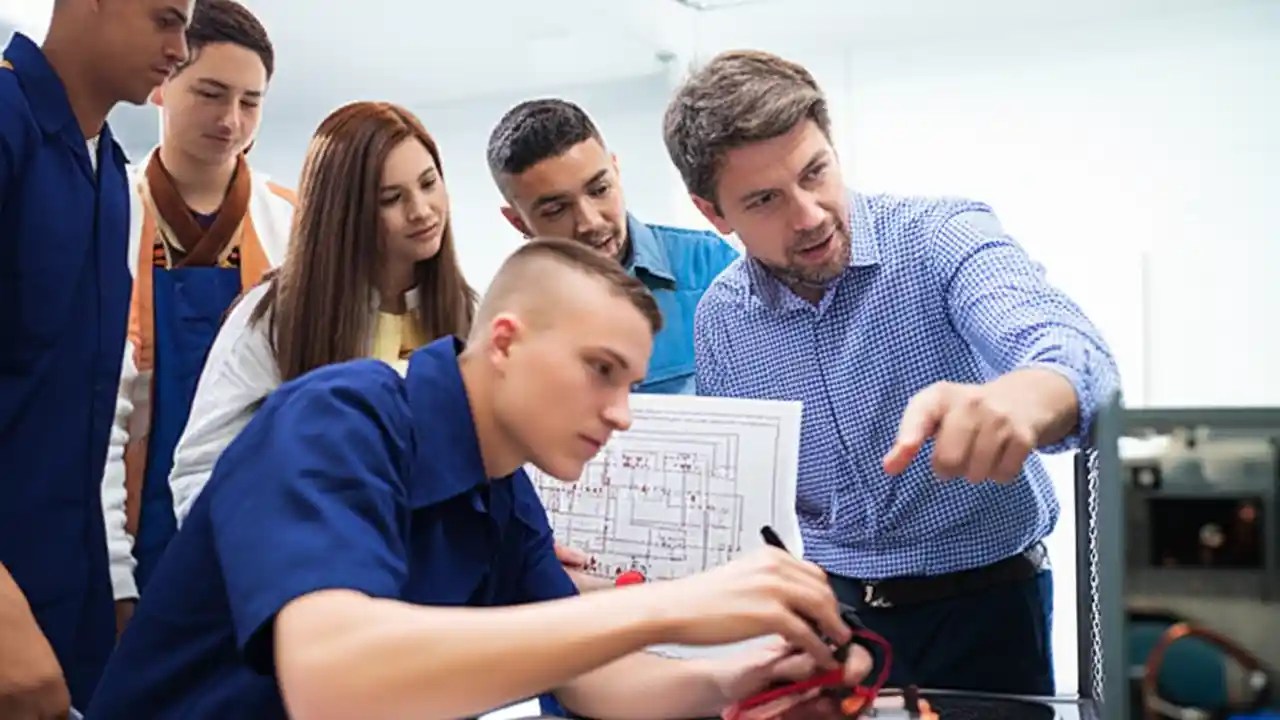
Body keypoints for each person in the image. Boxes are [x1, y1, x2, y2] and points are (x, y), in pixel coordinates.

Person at [85, 237, 872, 720]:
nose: (622, 413)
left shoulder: (502, 490)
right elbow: (333, 681)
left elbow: (591, 679)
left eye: (631, 383)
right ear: (505, 341)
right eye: (601, 371)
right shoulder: (336, 419)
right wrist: (671, 607)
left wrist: (744, 681)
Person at [664, 49, 1122, 695]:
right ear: (714, 214)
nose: (810, 215)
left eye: (816, 172)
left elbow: (1077, 359)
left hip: (988, 611)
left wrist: (1030, 393)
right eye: (765, 200)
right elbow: (744, 504)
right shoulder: (720, 319)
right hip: (832, 620)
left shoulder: (941, 237)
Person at [0, 1, 191, 714]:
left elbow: (96, 406)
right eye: (165, 19)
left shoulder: (111, 176)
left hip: (66, 587)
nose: (179, 49)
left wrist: (110, 578)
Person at [165, 99, 477, 528]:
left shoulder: (469, 314)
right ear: (344, 214)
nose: (421, 210)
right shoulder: (275, 317)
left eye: (428, 184)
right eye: (392, 198)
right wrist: (282, 562)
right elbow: (199, 475)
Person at [99, 0, 291, 638]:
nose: (231, 121)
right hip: (126, 536)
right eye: (211, 93)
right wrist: (113, 575)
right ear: (162, 83)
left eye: (250, 101)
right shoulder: (105, 215)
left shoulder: (295, 225)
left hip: (262, 547)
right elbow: (96, 415)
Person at [486, 98, 739, 397]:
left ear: (616, 171)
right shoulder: (510, 328)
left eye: (599, 190)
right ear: (518, 222)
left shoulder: (710, 266)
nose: (590, 222)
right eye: (556, 210)